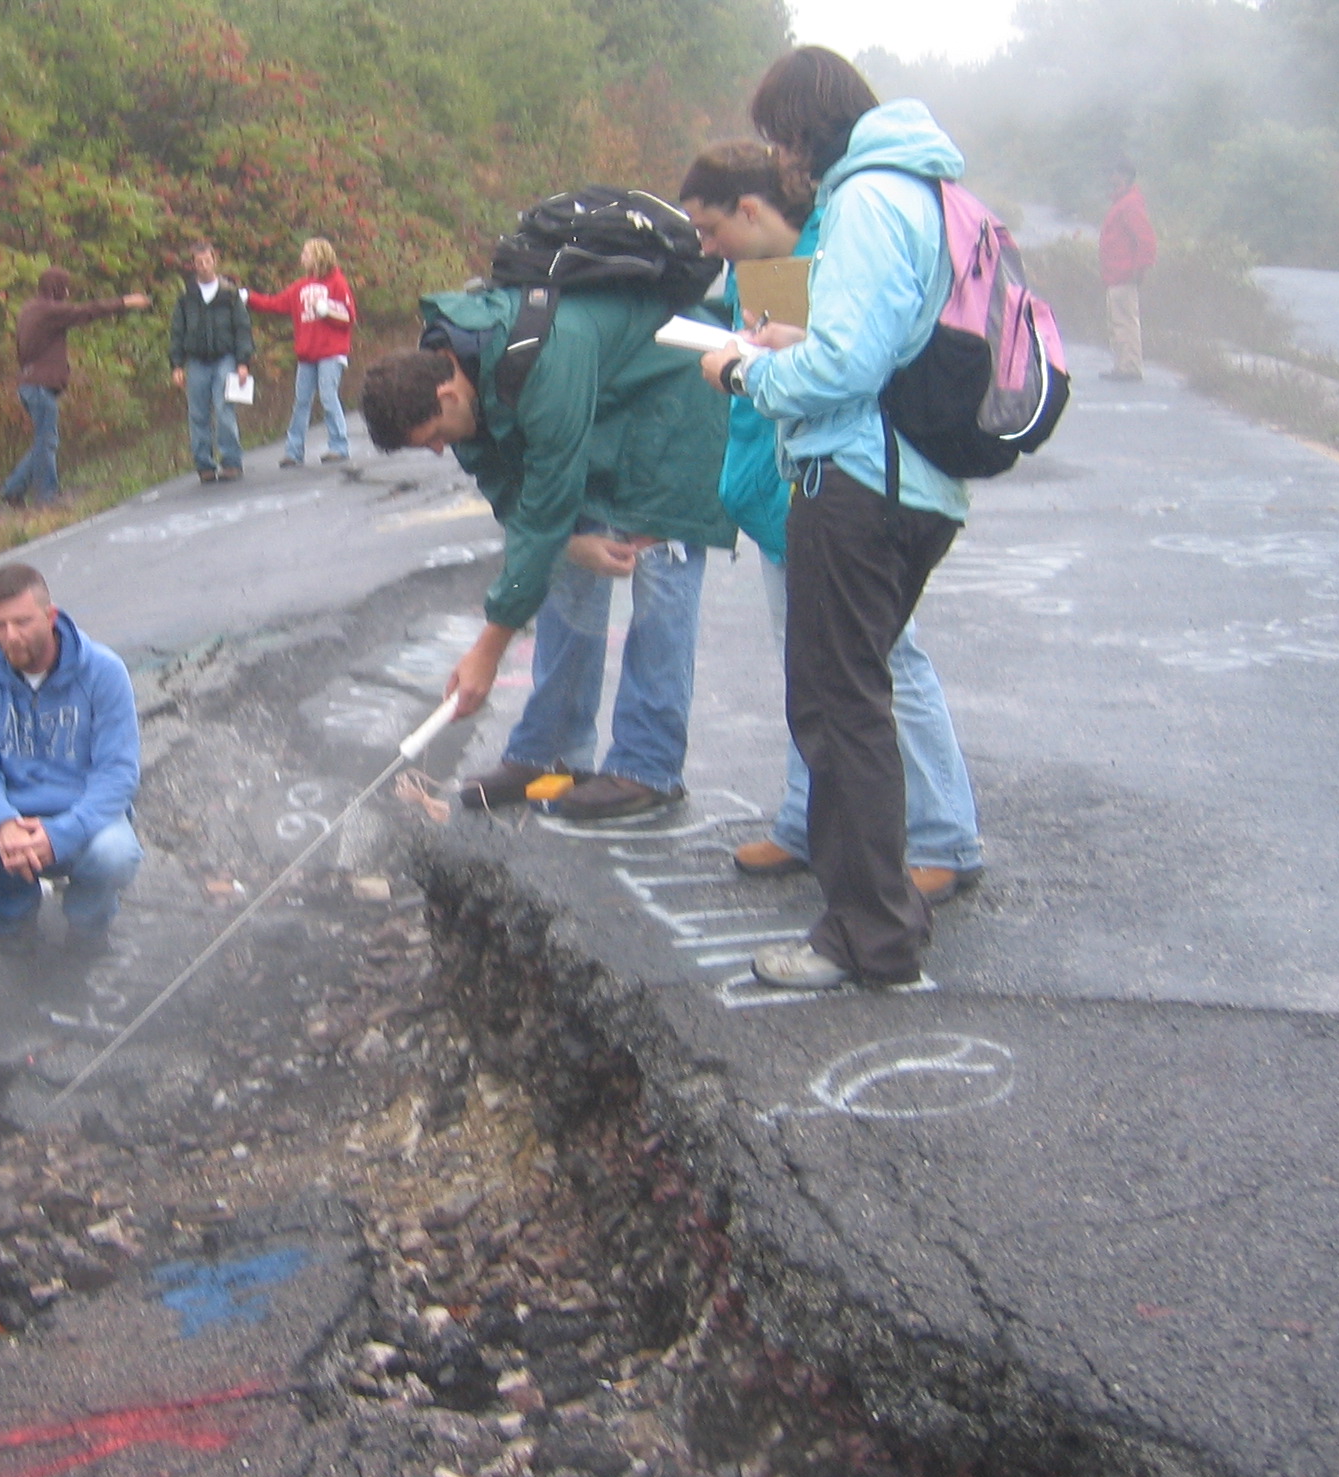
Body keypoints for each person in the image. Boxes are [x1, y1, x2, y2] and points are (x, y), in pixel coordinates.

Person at [699, 48, 969, 992]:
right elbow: (878, 342)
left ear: (809, 127)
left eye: (782, 137)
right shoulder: (922, 189)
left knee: (838, 707)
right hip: (915, 480)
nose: (780, 159)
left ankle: (865, 935)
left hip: (854, 480)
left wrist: (747, 371)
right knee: (858, 696)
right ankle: (879, 916)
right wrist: (797, 342)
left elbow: (845, 369)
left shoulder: (864, 199)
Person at [359, 271, 736, 822]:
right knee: (564, 563)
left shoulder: (543, 362)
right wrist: (572, 546)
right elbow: (508, 487)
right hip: (605, 401)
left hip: (678, 396)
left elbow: (547, 505)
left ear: (445, 394)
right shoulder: (453, 367)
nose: (441, 451)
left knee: (657, 567)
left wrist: (486, 652)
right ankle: (551, 754)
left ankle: (646, 767)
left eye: (435, 436)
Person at [0, 563, 143, 945]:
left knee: (115, 854)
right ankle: (13, 923)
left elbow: (117, 772)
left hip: (83, 816)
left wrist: (60, 834)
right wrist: (3, 824)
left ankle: (87, 928)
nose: (10, 636)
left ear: (50, 616)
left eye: (22, 622)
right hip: (15, 819)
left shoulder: (103, 671)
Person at [0, 268, 151, 506]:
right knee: (47, 441)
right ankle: (47, 497)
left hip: (28, 384)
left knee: (44, 440)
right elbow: (87, 311)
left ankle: (13, 489)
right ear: (55, 287)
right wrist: (125, 302)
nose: (68, 293)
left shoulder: (29, 309)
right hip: (39, 386)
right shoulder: (49, 310)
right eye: (65, 287)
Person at [245, 238, 357, 467]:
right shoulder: (300, 287)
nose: (302, 258)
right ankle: (293, 451)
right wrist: (249, 298)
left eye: (306, 253)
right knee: (301, 401)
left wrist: (328, 311)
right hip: (307, 355)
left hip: (331, 353)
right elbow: (275, 303)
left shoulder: (337, 283)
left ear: (318, 255)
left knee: (328, 396)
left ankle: (339, 445)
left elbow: (348, 318)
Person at [163, 241, 254, 484]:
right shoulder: (186, 298)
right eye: (198, 262)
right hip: (196, 362)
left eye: (207, 261)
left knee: (224, 410)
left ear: (215, 261)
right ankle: (204, 464)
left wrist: (243, 362)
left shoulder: (229, 293)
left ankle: (231, 461)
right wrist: (177, 365)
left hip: (225, 358)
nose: (203, 266)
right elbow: (177, 332)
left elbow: (242, 329)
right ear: (193, 266)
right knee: (198, 414)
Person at [1098, 159, 1157, 382]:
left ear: (1124, 177)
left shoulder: (1130, 205)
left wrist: (1140, 270)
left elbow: (1146, 240)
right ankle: (1123, 365)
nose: (1110, 179)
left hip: (1124, 275)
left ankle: (1130, 367)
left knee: (1125, 322)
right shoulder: (1123, 203)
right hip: (1116, 275)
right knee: (1118, 323)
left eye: (1114, 174)